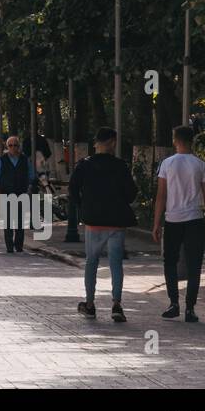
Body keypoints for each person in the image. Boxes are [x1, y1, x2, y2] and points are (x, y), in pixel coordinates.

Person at [68, 126, 136, 322]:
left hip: (94, 222)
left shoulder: (84, 165)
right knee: (116, 262)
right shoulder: (120, 166)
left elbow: (73, 190)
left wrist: (84, 207)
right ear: (112, 142)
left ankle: (89, 304)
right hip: (116, 222)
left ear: (96, 143)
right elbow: (131, 193)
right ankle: (116, 304)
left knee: (92, 262)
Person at [153, 125, 205, 323]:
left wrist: (156, 223)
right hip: (195, 220)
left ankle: (173, 303)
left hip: (173, 220)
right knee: (194, 264)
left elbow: (161, 196)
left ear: (175, 140)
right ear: (192, 141)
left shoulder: (167, 164)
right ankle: (190, 308)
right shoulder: (200, 165)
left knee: (170, 262)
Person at [0, 136, 36, 253]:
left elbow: (31, 175)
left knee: (20, 221)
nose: (13, 148)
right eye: (10, 145)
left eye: (15, 145)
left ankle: (19, 245)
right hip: (6, 194)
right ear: (7, 147)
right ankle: (9, 246)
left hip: (21, 193)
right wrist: (5, 184)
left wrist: (26, 184)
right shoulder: (2, 159)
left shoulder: (24, 159)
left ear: (18, 146)